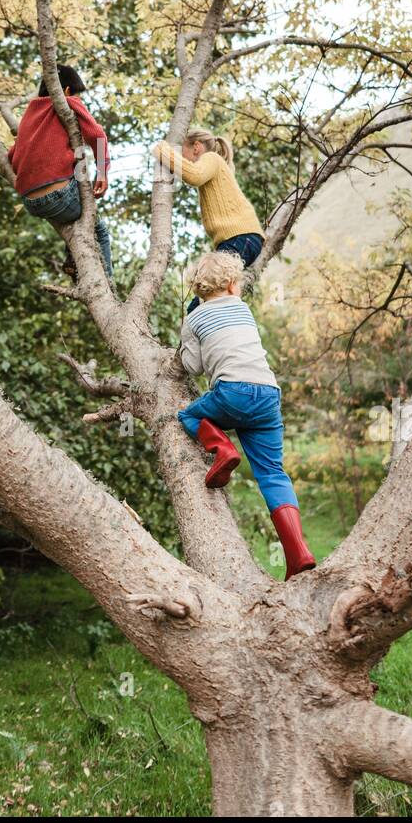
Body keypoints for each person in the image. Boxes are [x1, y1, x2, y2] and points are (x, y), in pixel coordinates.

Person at [176, 249, 315, 580]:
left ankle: (222, 448)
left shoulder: (194, 318)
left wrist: (184, 343)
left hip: (231, 393)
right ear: (230, 284)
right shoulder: (242, 309)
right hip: (268, 395)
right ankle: (299, 554)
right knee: (273, 474)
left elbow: (191, 367)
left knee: (188, 417)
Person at [8, 64, 113, 279]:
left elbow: (12, 156)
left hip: (30, 201)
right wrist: (102, 172)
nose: (76, 98)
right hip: (59, 198)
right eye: (74, 93)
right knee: (100, 230)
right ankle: (109, 285)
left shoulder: (30, 113)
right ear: (66, 91)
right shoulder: (68, 102)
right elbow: (98, 135)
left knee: (78, 215)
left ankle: (73, 261)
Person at [152, 129, 263, 311]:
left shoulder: (212, 158)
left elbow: (194, 176)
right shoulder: (215, 167)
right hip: (240, 240)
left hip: (239, 238)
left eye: (182, 153)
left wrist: (164, 151)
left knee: (200, 304)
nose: (183, 159)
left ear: (196, 147)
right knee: (216, 297)